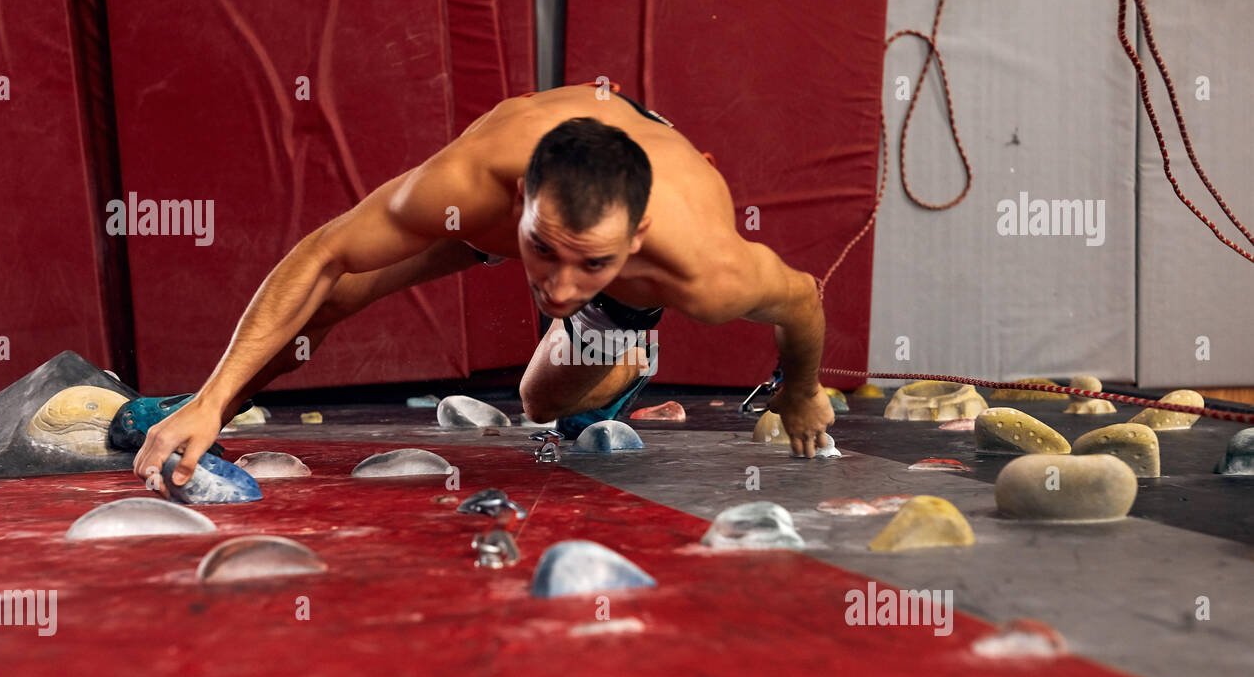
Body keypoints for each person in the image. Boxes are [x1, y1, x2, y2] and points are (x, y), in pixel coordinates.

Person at [133, 84, 834, 486]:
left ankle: (621, 358)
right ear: (523, 198)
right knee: (339, 292)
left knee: (542, 402)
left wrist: (801, 392)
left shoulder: (704, 270)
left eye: (590, 266)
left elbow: (801, 298)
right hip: (524, 181)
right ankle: (200, 416)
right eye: (543, 253)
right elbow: (323, 253)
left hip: (623, 213)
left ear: (638, 238)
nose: (559, 290)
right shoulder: (471, 184)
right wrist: (216, 397)